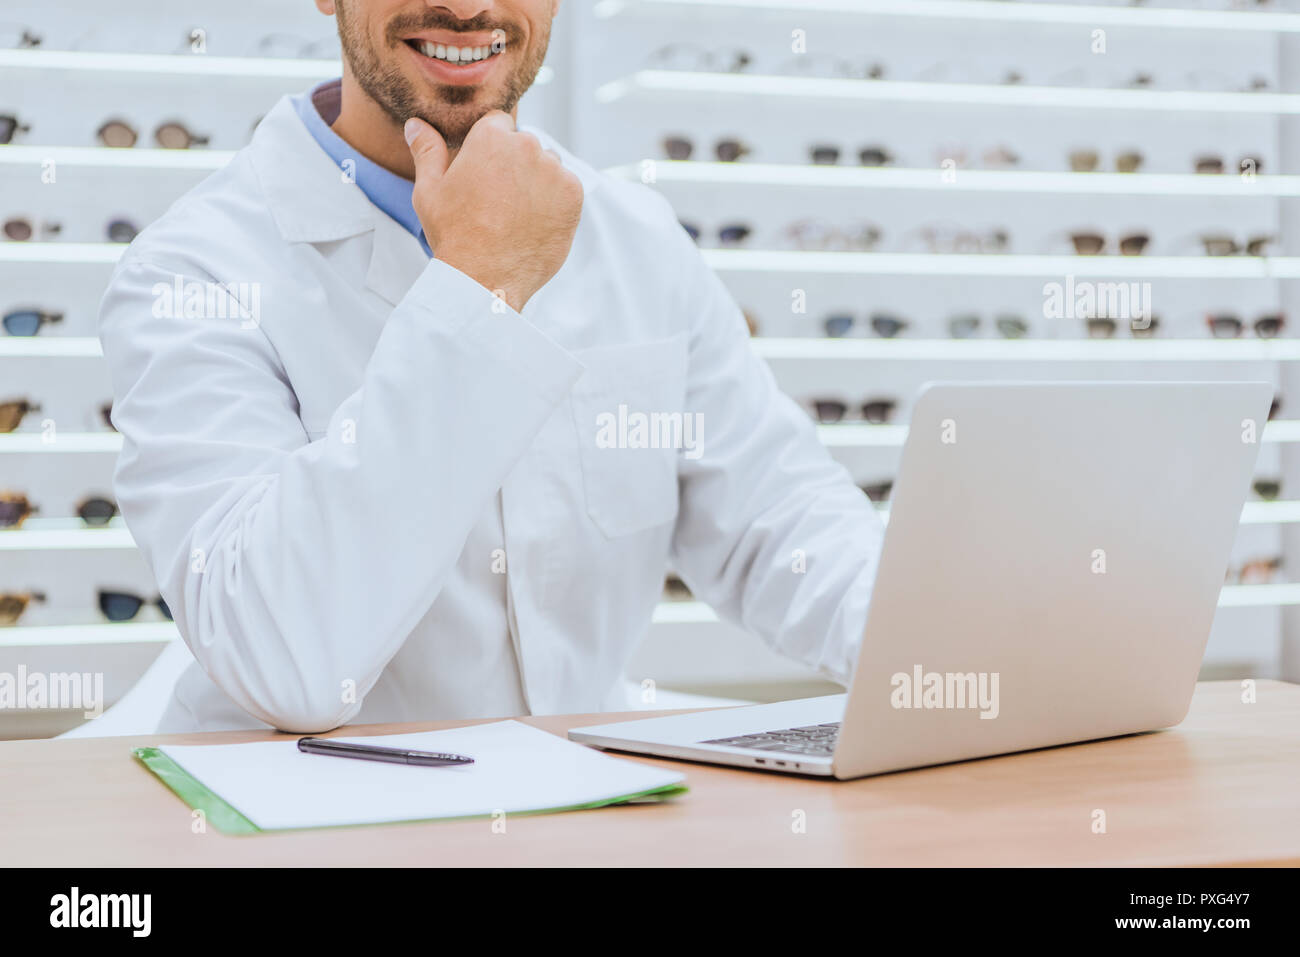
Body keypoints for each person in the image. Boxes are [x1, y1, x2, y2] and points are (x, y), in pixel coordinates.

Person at [97, 0, 885, 733]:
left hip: (586, 806)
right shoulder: (190, 272)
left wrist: (949, 653)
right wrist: (479, 289)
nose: (470, 8)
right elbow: (282, 655)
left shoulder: (635, 238)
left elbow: (778, 522)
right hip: (320, 830)